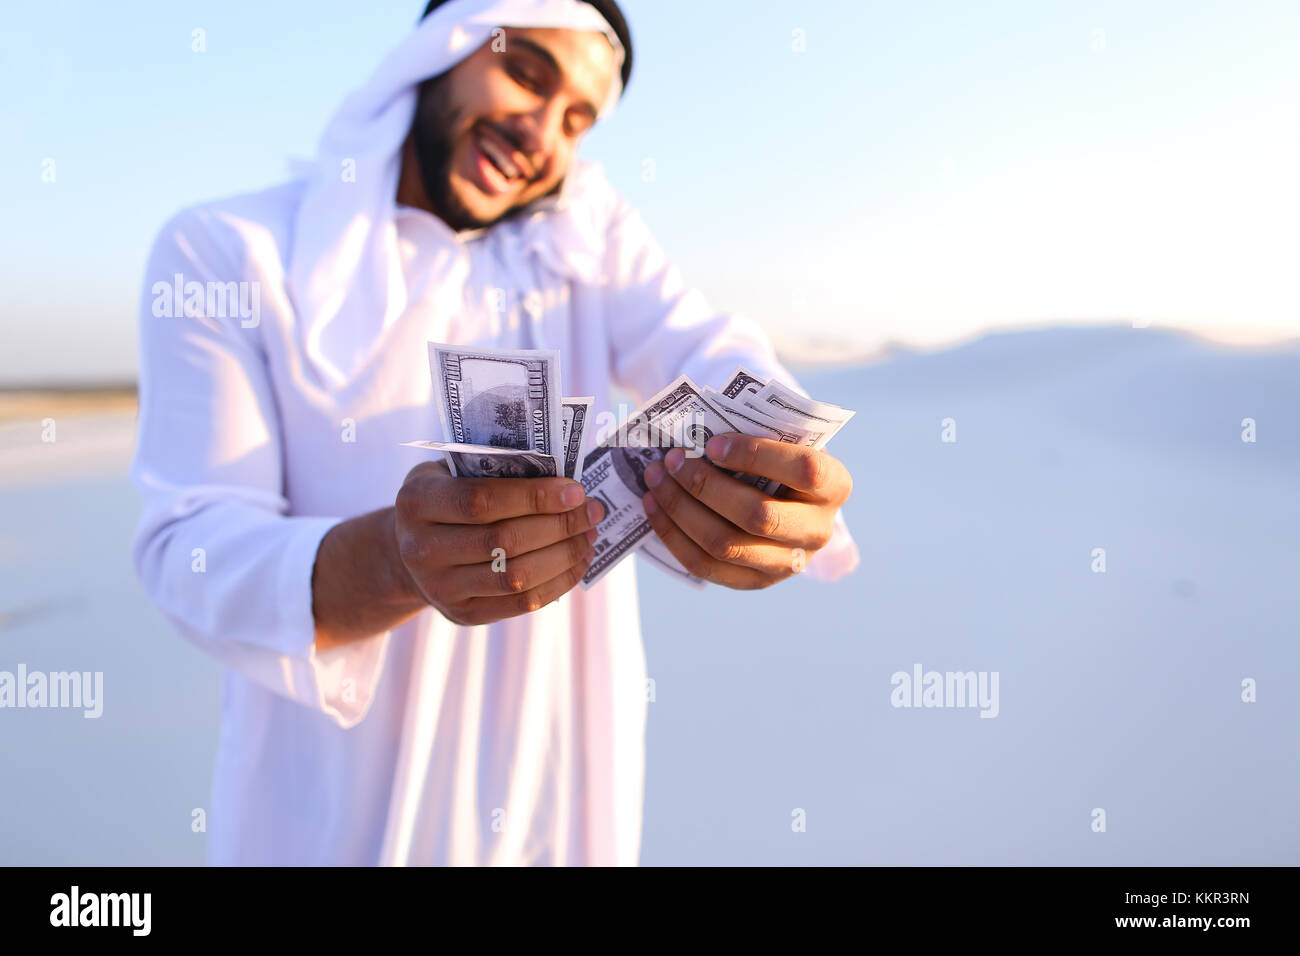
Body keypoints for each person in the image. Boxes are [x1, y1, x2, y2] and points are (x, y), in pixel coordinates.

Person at [131, 0, 859, 866]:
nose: (542, 132)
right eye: (526, 73)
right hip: (328, 812)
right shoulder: (228, 252)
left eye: (578, 119)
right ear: (436, 54)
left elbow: (710, 349)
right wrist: (396, 559)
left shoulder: (584, 245)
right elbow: (190, 549)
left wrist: (774, 473)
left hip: (555, 796)